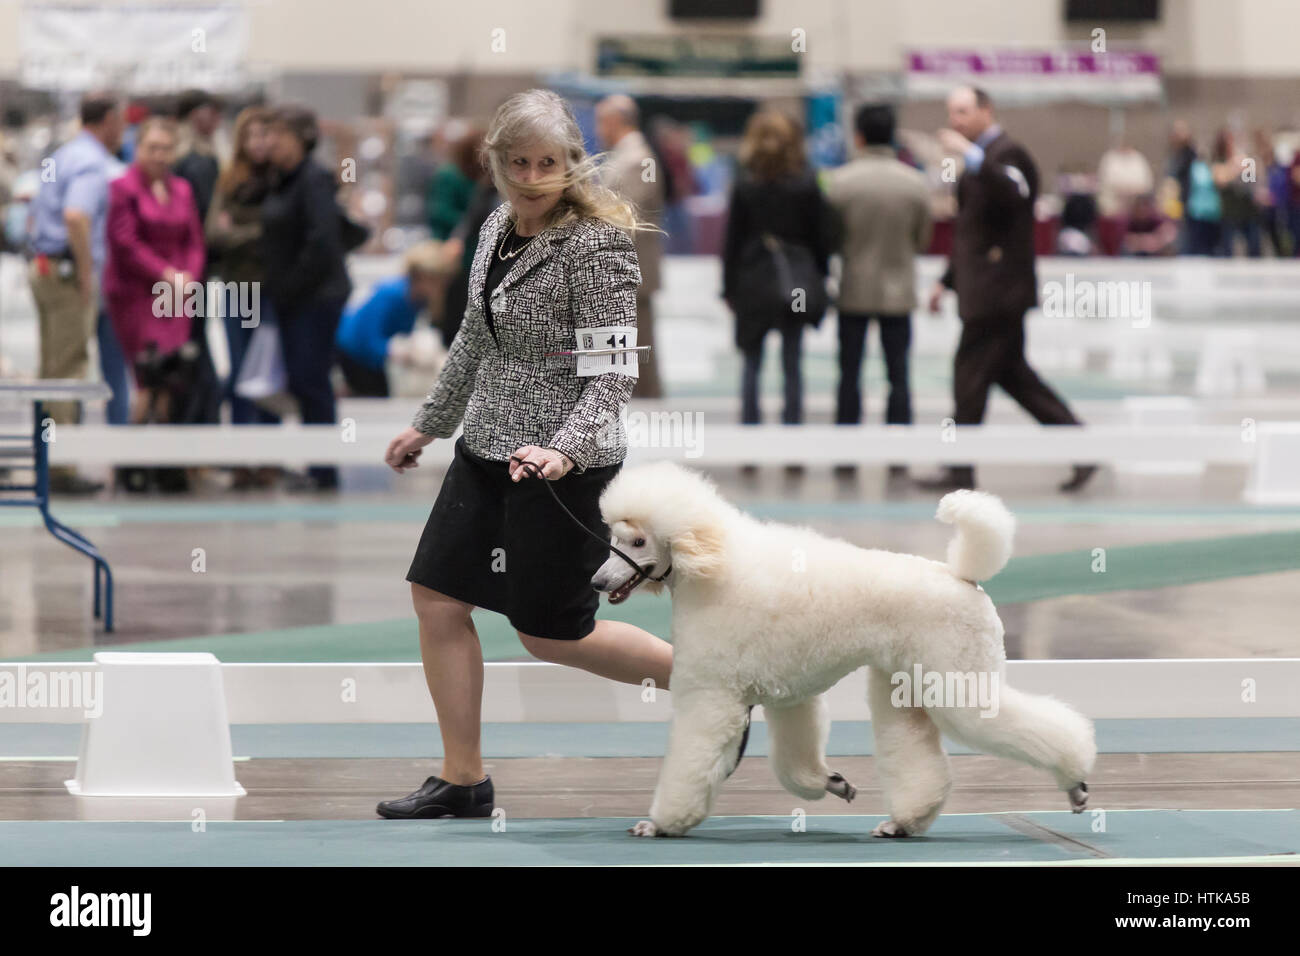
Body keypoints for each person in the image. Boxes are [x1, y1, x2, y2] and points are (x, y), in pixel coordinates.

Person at [377, 88, 664, 819]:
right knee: (437, 599)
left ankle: (709, 681)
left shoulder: (598, 245)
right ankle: (462, 778)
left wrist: (565, 451)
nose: (535, 176)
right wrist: (430, 426)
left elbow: (614, 374)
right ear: (497, 165)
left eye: (550, 163)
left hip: (563, 468)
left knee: (552, 634)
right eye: (520, 163)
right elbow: (474, 338)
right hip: (485, 450)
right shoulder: (496, 227)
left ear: (572, 163)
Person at [919, 86, 1094, 494]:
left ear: (986, 110)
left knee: (969, 379)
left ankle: (959, 473)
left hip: (999, 296)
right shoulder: (975, 165)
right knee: (1016, 379)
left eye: (963, 111)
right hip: (982, 293)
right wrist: (945, 282)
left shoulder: (1006, 154)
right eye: (951, 113)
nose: (956, 120)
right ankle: (1083, 448)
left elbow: (1015, 193)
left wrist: (972, 155)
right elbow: (970, 235)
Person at [824, 102, 931, 481]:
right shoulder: (915, 183)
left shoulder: (841, 182)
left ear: (859, 135)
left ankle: (846, 457)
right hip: (899, 293)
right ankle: (898, 456)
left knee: (849, 375)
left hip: (854, 290)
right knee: (898, 376)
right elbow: (923, 239)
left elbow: (832, 239)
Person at [25, 92, 125, 494]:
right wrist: (87, 272)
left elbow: (35, 211)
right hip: (66, 273)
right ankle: (61, 468)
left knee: (50, 368)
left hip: (45, 266)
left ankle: (47, 458)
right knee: (68, 369)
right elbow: (76, 215)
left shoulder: (62, 154)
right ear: (109, 121)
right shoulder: (90, 162)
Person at [721, 109, 834, 457]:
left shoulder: (744, 183)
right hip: (795, 284)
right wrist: (820, 280)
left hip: (753, 280)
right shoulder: (808, 182)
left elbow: (732, 242)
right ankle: (793, 445)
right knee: (792, 362)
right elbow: (822, 240)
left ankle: (750, 445)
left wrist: (728, 288)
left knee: (752, 362)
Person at [103, 116, 206, 495]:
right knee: (148, 376)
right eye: (153, 148)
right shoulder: (121, 188)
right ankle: (130, 464)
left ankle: (165, 464)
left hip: (176, 296)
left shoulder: (182, 188)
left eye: (167, 149)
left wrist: (187, 277)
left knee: (172, 378)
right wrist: (167, 274)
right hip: (135, 294)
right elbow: (125, 243)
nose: (160, 156)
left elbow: (194, 240)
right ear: (138, 148)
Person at [260, 104, 353, 491]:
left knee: (311, 381)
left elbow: (321, 242)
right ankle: (318, 468)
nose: (271, 143)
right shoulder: (284, 179)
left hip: (314, 298)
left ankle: (324, 471)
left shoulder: (312, 179)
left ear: (301, 140)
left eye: (278, 135)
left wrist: (289, 286)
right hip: (296, 298)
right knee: (304, 381)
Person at [595, 94, 667, 399]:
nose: (598, 129)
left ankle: (649, 421)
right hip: (618, 272)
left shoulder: (639, 159)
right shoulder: (622, 157)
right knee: (623, 355)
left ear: (615, 121)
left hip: (630, 272)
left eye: (601, 121)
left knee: (637, 358)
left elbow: (626, 217)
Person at [335, 240, 456, 397]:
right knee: (374, 398)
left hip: (371, 355)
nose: (441, 288)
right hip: (352, 351)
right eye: (437, 281)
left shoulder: (418, 301)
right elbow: (366, 339)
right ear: (422, 277)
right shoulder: (391, 294)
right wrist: (400, 352)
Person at [173, 89, 222, 224]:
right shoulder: (199, 157)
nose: (218, 120)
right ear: (195, 115)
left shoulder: (170, 143)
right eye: (213, 113)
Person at [1211, 128, 1260, 257]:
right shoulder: (1219, 163)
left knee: (1254, 247)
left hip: (1248, 210)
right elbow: (1220, 180)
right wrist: (1235, 167)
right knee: (1229, 249)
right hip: (1230, 212)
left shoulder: (1242, 158)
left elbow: (1252, 179)